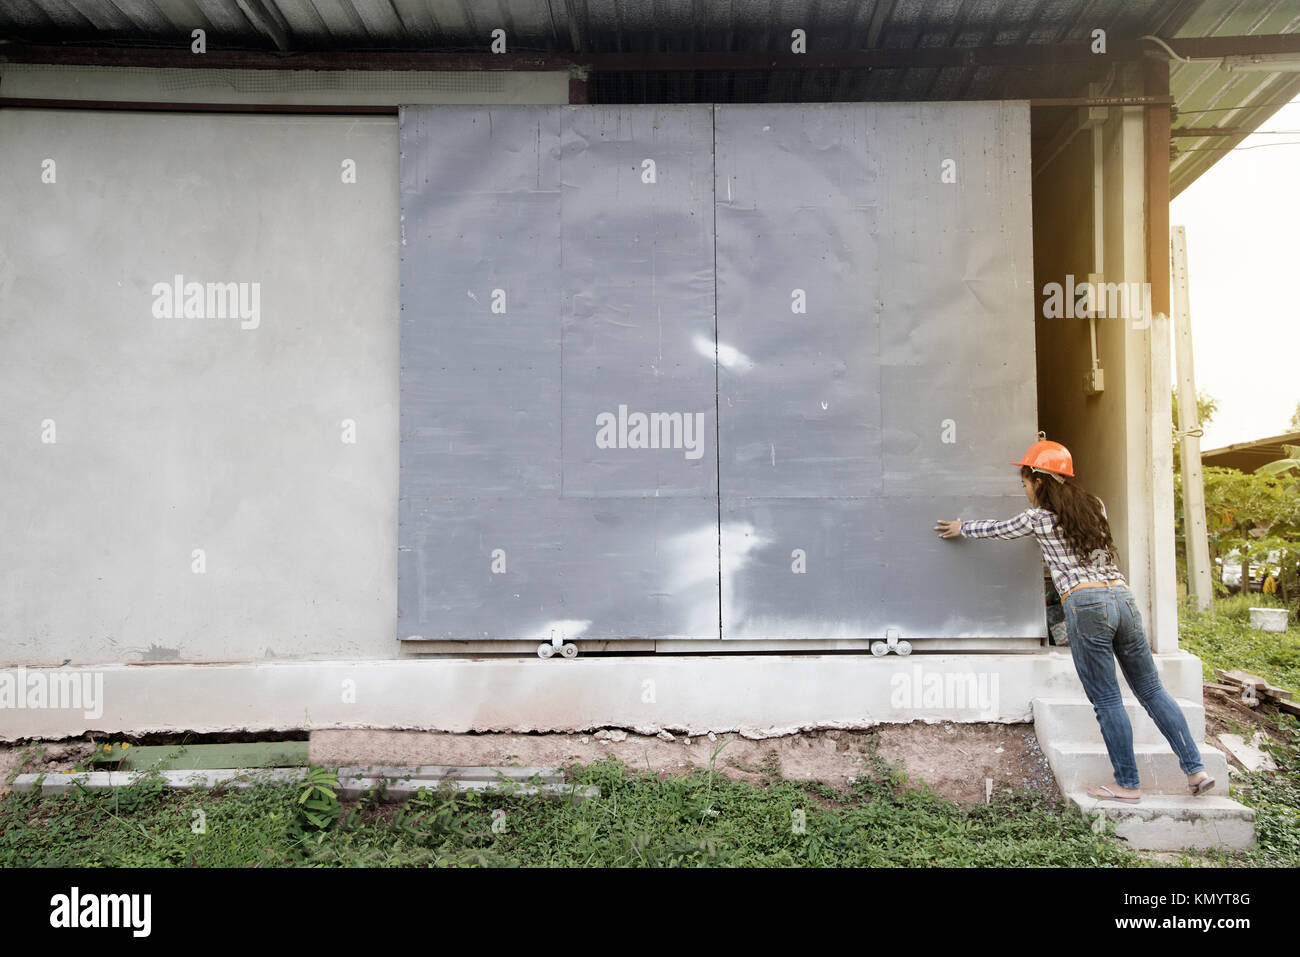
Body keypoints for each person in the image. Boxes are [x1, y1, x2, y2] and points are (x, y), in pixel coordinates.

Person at [932, 438, 1214, 803]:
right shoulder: (1095, 506)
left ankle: (1128, 785)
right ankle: (1195, 770)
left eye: (1025, 485)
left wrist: (962, 527)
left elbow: (999, 529)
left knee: (1108, 699)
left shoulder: (1039, 518)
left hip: (1086, 604)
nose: (1025, 493)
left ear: (1039, 481)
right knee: (1153, 690)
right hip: (1123, 600)